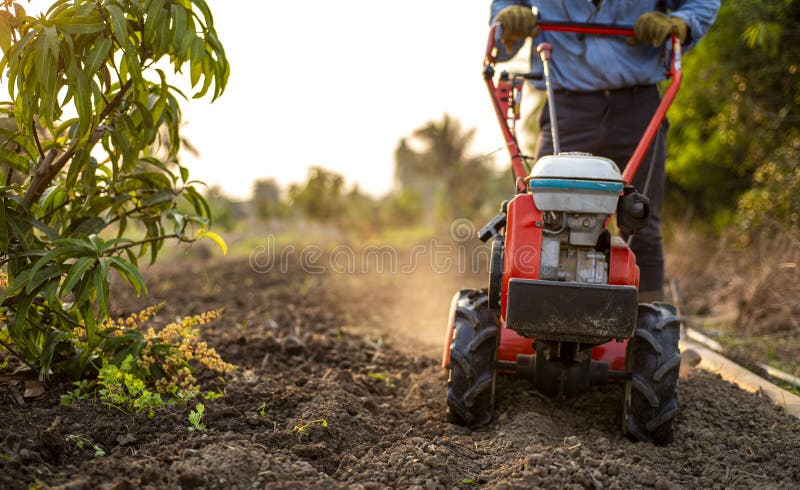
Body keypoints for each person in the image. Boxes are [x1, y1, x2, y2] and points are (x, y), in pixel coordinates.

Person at [490, 1, 719, 303]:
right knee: (539, 216)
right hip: (566, 106)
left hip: (637, 106)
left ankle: (646, 328)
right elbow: (501, 36)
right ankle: (528, 316)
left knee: (640, 221)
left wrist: (681, 23)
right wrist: (508, 20)